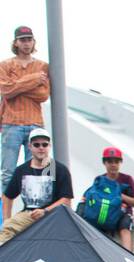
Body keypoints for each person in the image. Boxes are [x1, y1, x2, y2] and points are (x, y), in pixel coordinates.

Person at [0, 127, 72, 244]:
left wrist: (45, 211)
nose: (41, 148)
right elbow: (7, 197)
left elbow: (66, 200)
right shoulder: (21, 170)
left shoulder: (60, 169)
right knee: (5, 232)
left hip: (54, 215)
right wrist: (7, 220)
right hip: (29, 215)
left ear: (49, 146)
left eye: (44, 144)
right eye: (36, 145)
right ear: (30, 147)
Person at [0, 26, 48, 197]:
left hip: (35, 124)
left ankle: (31, 213)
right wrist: (33, 79)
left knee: (34, 173)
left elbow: (43, 94)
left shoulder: (42, 65)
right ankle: (5, 218)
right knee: (7, 173)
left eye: (29, 39)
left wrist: (17, 85)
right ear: (16, 42)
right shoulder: (5, 65)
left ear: (34, 41)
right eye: (23, 40)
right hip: (11, 123)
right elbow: (5, 90)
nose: (26, 43)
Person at [83, 146, 134, 249]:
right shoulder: (100, 180)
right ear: (104, 163)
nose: (113, 165)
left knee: (124, 226)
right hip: (104, 214)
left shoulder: (127, 179)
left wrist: (120, 196)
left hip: (122, 214)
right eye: (110, 162)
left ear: (120, 163)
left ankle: (128, 255)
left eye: (116, 161)